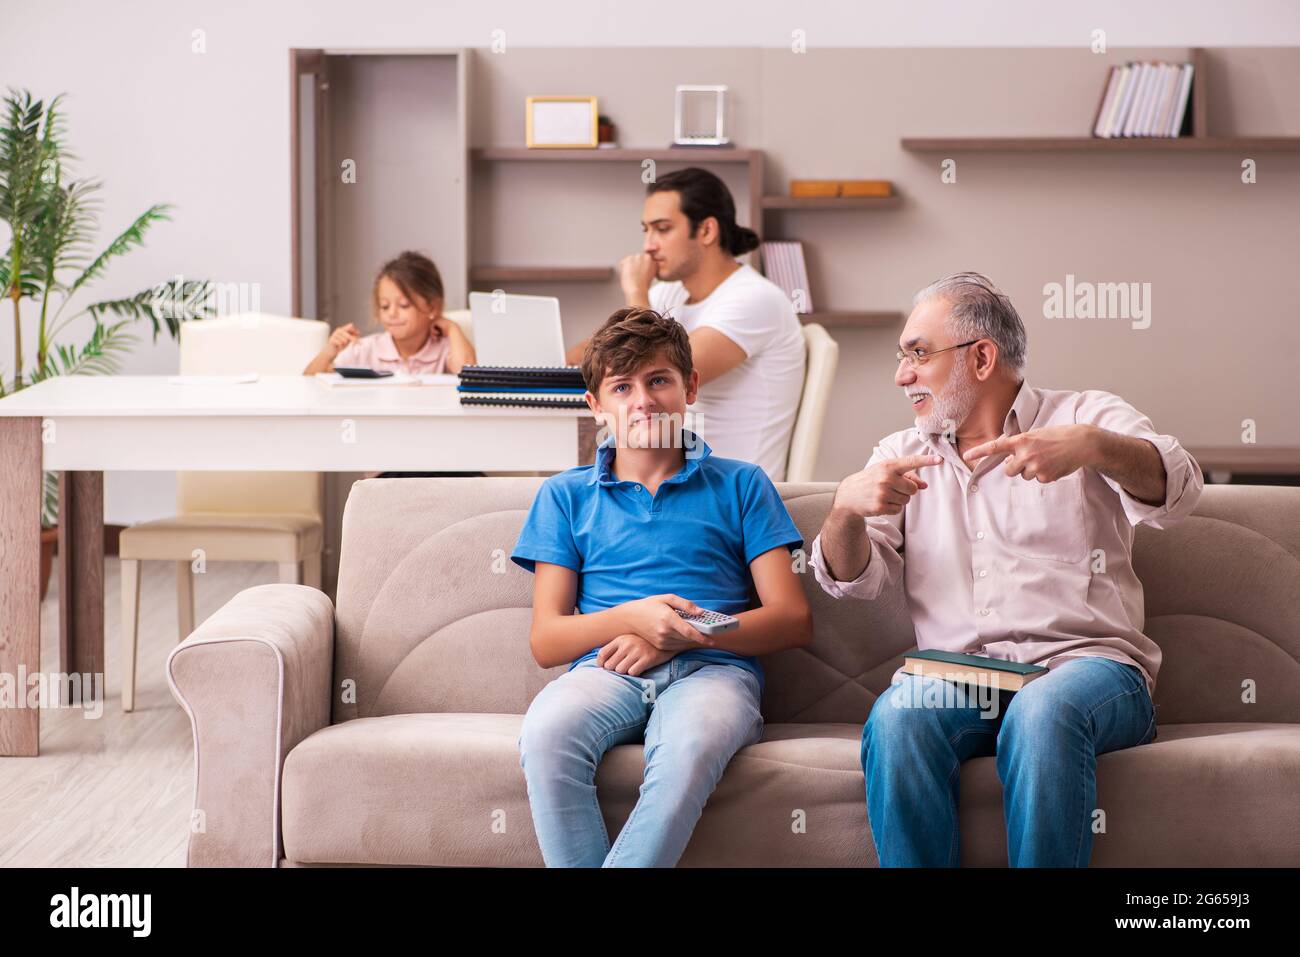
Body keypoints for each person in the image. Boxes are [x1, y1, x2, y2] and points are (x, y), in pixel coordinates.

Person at [808, 271, 1203, 867]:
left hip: (1090, 671)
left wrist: (1093, 446)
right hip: (965, 678)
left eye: (917, 354)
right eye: (902, 357)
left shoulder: (1083, 414)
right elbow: (852, 581)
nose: (901, 375)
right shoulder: (899, 454)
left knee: (1043, 710)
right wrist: (845, 510)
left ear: (982, 357)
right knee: (896, 718)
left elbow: (1180, 492)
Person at [515, 306, 812, 867]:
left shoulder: (743, 484)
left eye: (659, 381)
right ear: (596, 407)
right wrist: (635, 617)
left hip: (716, 673)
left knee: (691, 746)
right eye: (622, 387)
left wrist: (678, 636)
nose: (643, 401)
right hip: (607, 669)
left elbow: (793, 619)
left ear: (690, 387)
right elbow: (547, 640)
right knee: (548, 734)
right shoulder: (563, 496)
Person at [565, 167, 805, 480]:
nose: (648, 245)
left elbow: (638, 364)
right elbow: (597, 354)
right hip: (673, 474)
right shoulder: (669, 293)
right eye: (646, 231)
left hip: (726, 488)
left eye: (662, 229)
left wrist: (635, 290)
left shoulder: (755, 299)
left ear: (706, 231)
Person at [303, 250, 476, 376]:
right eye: (385, 306)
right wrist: (329, 352)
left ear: (432, 307)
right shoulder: (366, 349)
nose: (392, 313)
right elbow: (308, 383)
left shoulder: (445, 350)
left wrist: (452, 328)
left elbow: (469, 375)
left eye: (404, 305)